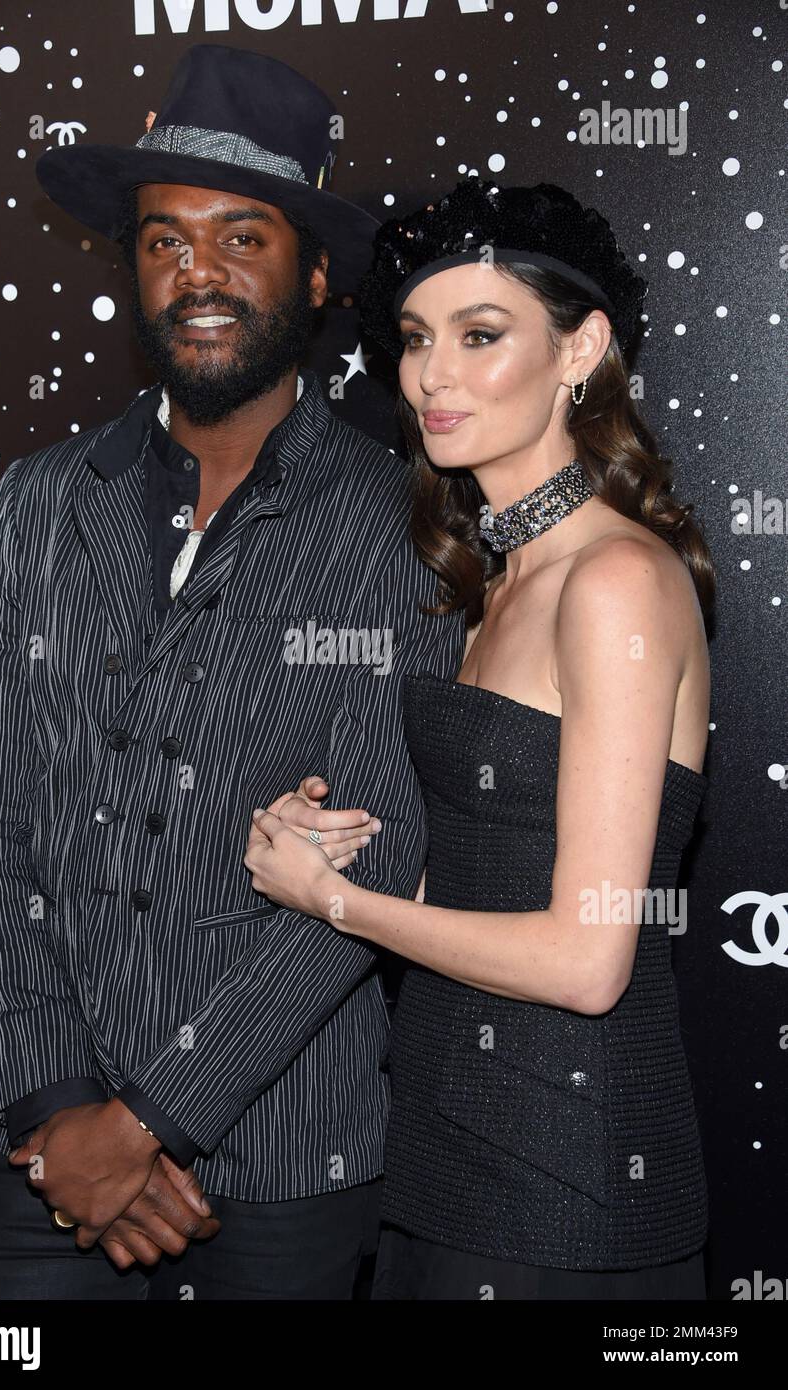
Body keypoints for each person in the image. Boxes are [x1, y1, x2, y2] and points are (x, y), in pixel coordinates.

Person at [0, 43, 465, 1300]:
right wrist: (66, 1107)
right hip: (44, 1152)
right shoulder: (37, 505)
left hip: (292, 1159)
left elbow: (378, 854)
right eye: (165, 242)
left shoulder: (405, 524)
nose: (198, 276)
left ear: (317, 272)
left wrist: (148, 1123)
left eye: (242, 237)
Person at [244, 177, 715, 1300]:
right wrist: (345, 846)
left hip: (562, 1186)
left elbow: (586, 959)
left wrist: (332, 902)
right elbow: (492, 868)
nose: (430, 376)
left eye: (480, 334)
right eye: (414, 339)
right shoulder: (496, 582)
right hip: (444, 1154)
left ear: (579, 348)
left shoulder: (612, 580)